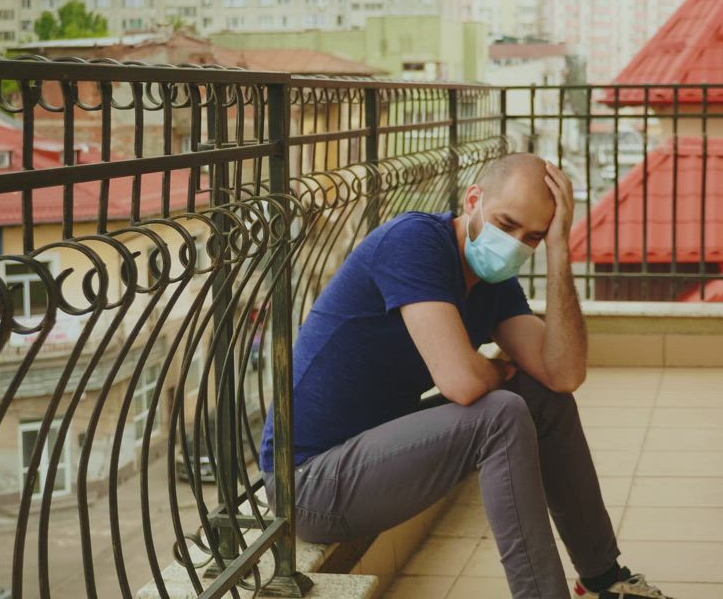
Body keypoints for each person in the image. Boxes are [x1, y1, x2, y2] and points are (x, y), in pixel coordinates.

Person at [260, 153, 670, 599]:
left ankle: (604, 580)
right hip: (308, 484)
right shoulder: (414, 242)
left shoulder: (493, 281)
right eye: (506, 224)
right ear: (473, 200)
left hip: (373, 457)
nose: (514, 244)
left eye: (533, 237)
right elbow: (462, 382)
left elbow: (563, 374)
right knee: (500, 413)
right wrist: (496, 369)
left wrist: (559, 252)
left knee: (542, 399)